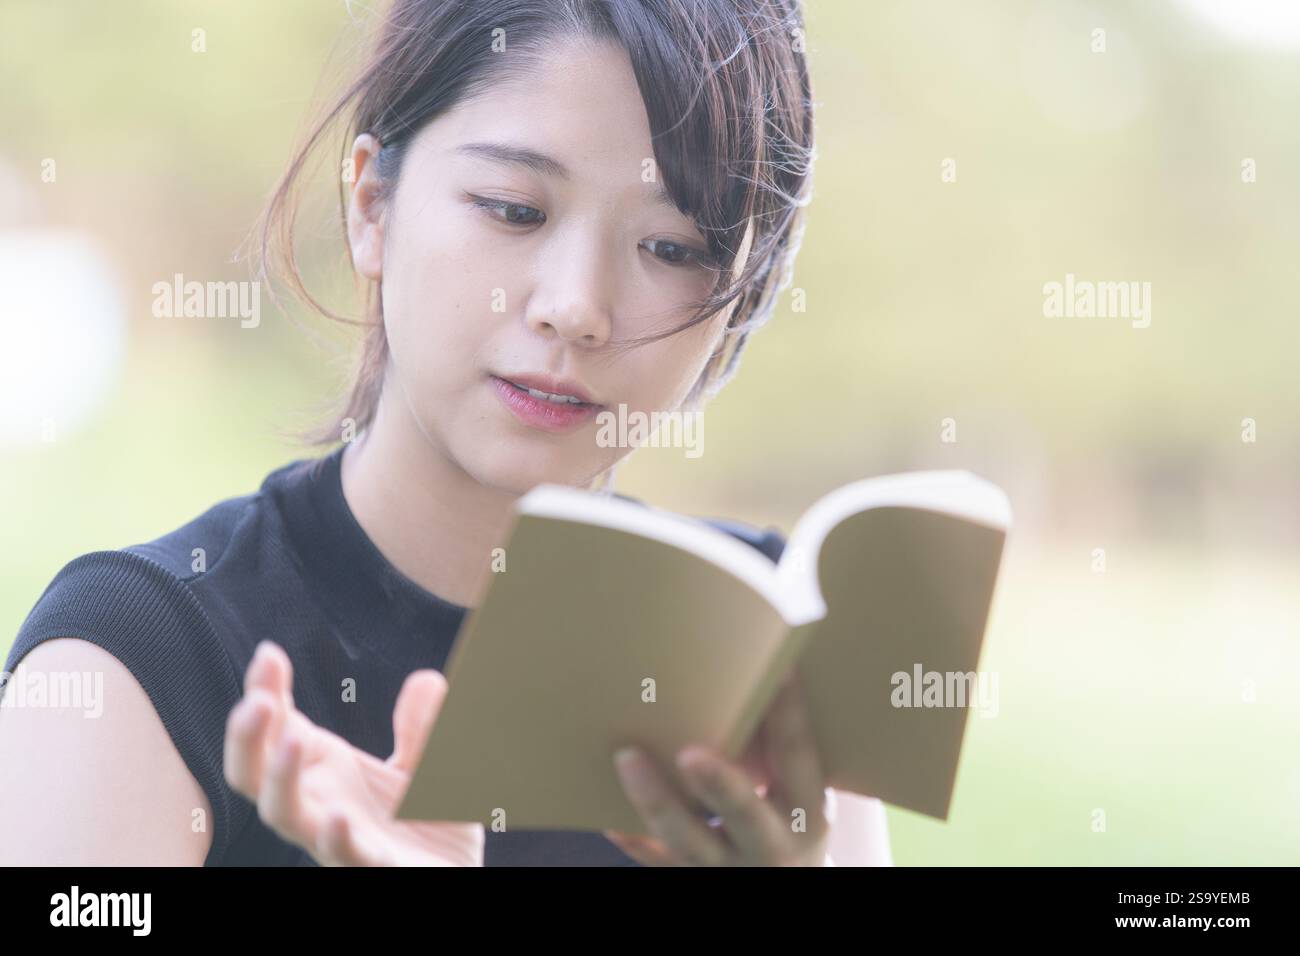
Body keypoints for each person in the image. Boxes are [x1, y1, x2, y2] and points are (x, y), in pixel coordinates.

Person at [0, 0, 891, 866]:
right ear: (372, 206)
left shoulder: (767, 663)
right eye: (514, 208)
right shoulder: (134, 660)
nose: (576, 307)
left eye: (672, 249)